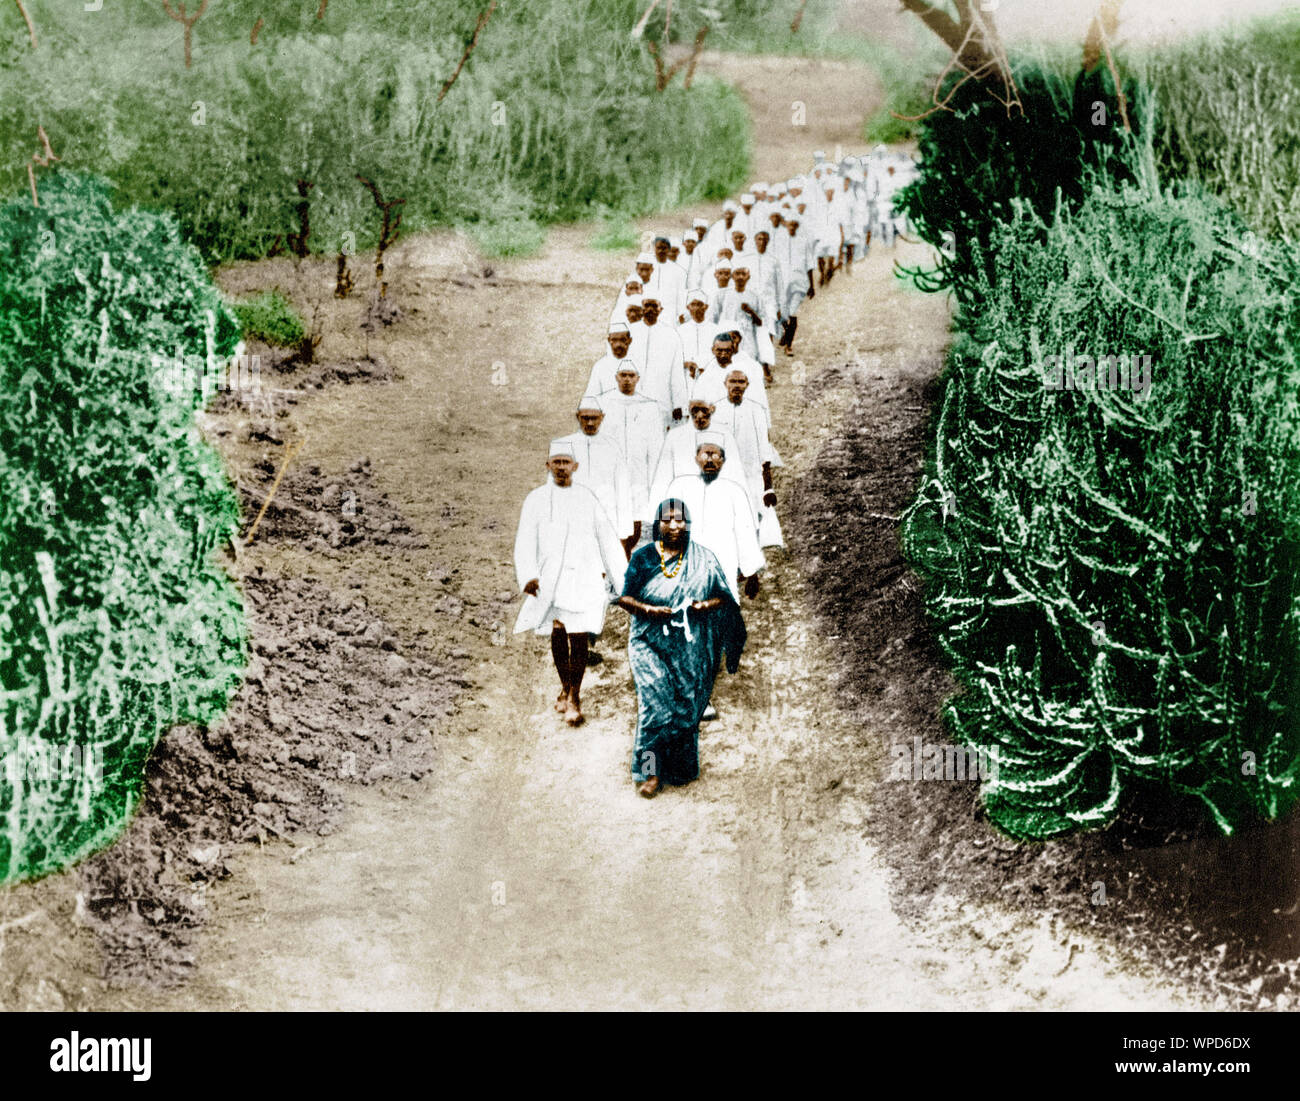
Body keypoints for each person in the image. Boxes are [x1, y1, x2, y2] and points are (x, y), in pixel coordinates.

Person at [617, 499, 746, 798]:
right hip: (648, 642)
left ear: (689, 524)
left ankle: (679, 765)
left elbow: (723, 597)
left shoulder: (704, 559)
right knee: (655, 708)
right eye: (667, 520)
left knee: (687, 707)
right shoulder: (644, 558)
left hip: (689, 645)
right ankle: (649, 771)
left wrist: (702, 606)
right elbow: (625, 598)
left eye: (681, 520)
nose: (674, 526)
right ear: (657, 524)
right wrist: (650, 610)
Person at [515, 441, 628, 726]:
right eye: (557, 462)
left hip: (583, 575)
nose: (561, 468)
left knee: (578, 633)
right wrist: (528, 575)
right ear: (548, 466)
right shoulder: (536, 499)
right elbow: (525, 539)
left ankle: (575, 695)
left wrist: (621, 578)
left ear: (575, 467)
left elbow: (606, 538)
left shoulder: (587, 498)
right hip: (549, 577)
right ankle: (565, 685)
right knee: (557, 629)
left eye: (567, 462)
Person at [665, 436, 765, 605]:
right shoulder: (679, 487)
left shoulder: (735, 491)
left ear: (723, 461)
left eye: (716, 456)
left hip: (723, 561)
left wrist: (751, 573)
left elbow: (745, 533)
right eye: (705, 455)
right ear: (696, 459)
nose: (710, 461)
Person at [585, 322, 636, 396]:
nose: (618, 344)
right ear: (609, 340)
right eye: (614, 340)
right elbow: (592, 397)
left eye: (622, 340)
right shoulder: (600, 366)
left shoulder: (637, 364)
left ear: (630, 340)